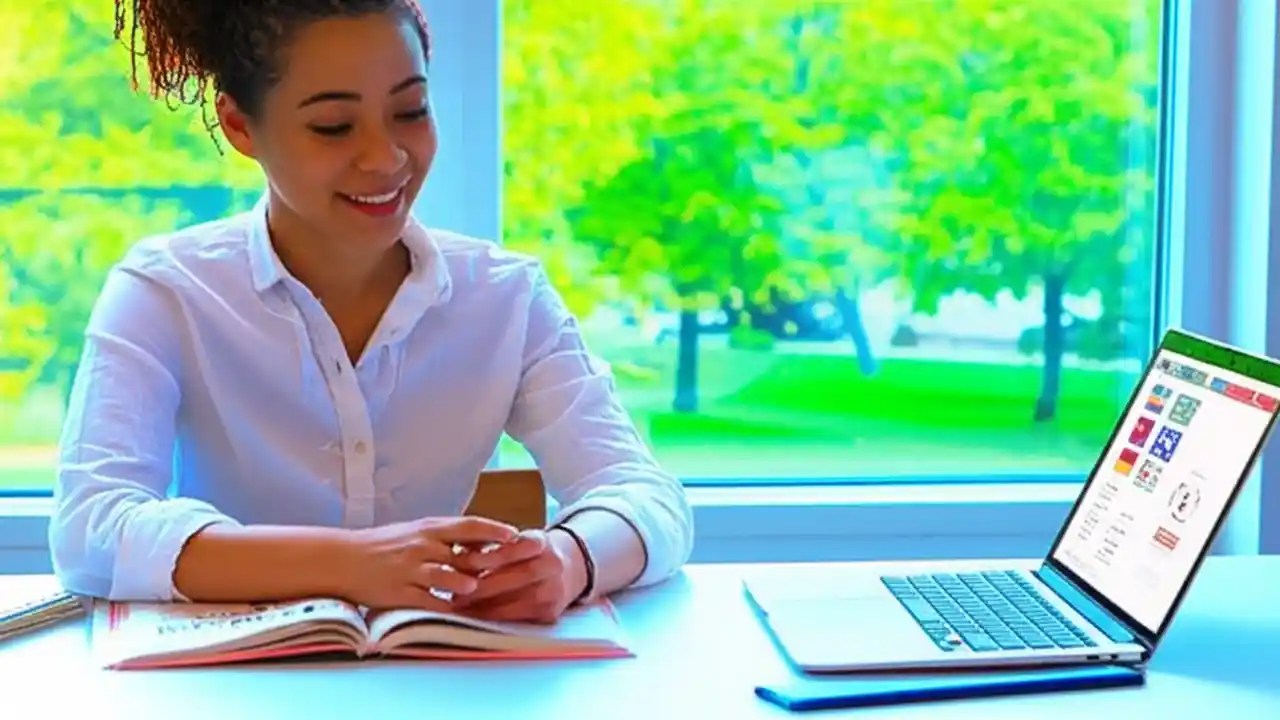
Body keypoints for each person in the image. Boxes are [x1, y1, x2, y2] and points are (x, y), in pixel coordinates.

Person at [48, 0, 693, 624]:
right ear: (241, 126)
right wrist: (353, 564)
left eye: (410, 111)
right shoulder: (165, 290)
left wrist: (569, 558)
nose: (386, 158)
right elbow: (90, 527)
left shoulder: (506, 298)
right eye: (333, 126)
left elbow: (646, 496)